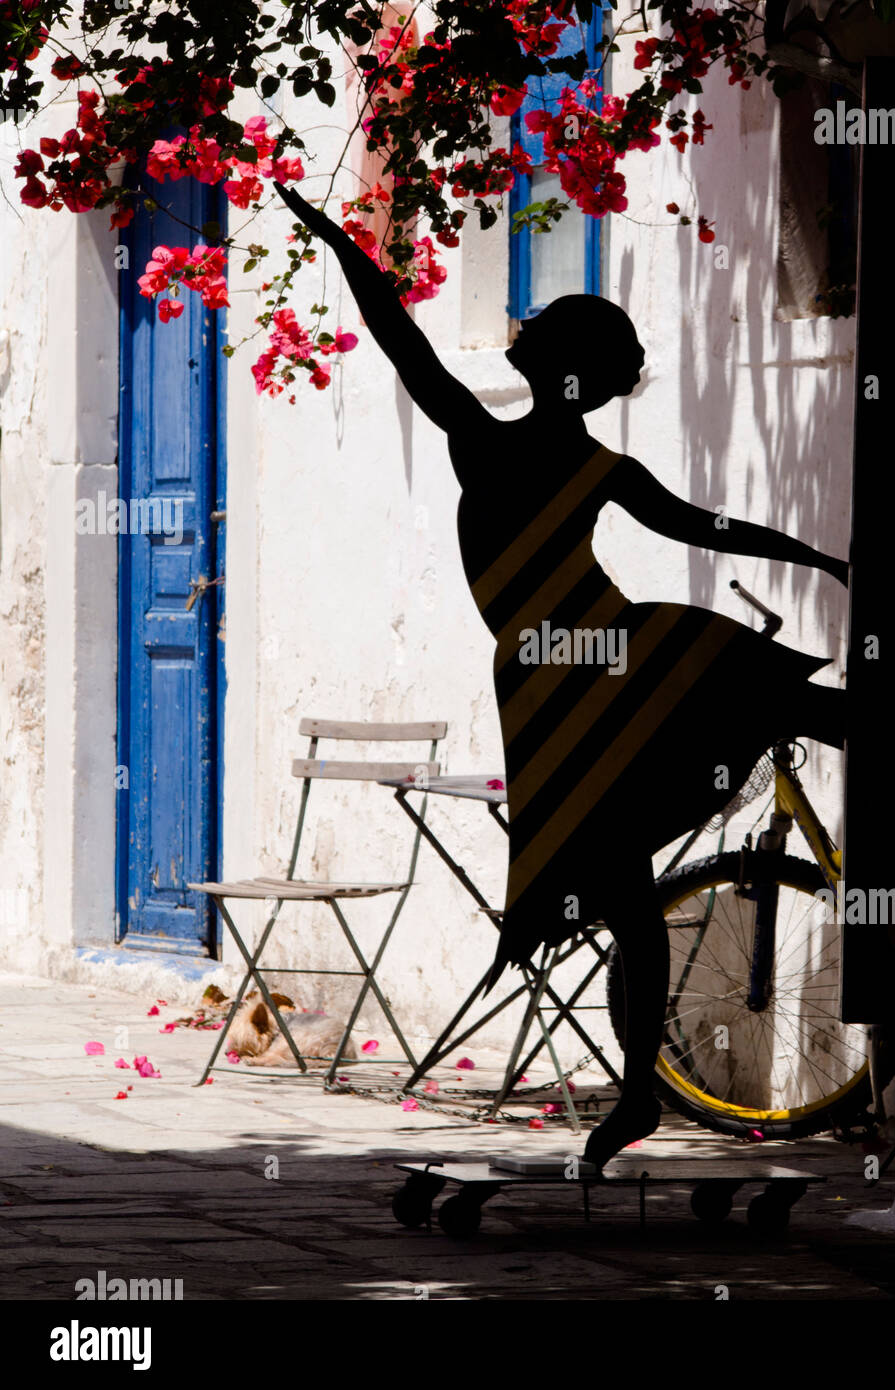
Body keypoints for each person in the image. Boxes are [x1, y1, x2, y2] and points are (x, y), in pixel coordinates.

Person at [274, 182, 848, 1166]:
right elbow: (399, 338)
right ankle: (636, 1091)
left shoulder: (493, 443)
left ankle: (634, 1091)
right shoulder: (525, 451)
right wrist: (340, 246)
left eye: (542, 328)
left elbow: (699, 525)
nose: (521, 329)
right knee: (627, 887)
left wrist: (819, 559)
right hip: (565, 676)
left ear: (564, 370)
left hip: (581, 663)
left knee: (648, 859)